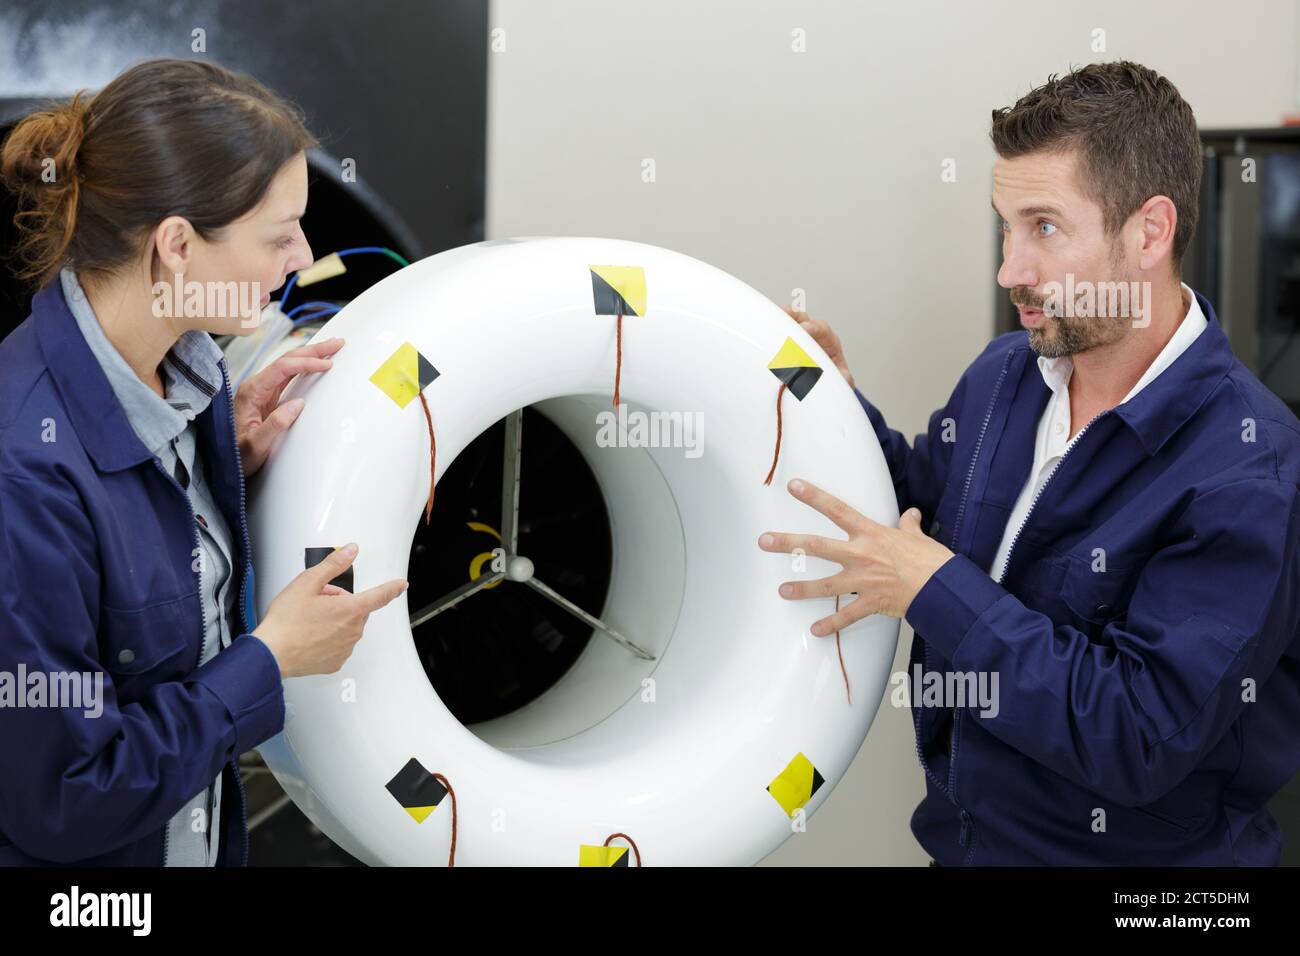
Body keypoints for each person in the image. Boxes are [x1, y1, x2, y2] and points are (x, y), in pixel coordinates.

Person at [759, 60, 1300, 865]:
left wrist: (934, 591)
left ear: (1149, 232)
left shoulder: (1249, 466)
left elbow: (1140, 731)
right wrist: (834, 402)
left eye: (1044, 227)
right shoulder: (1007, 374)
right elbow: (920, 511)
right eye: (1006, 226)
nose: (1011, 268)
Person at [0, 58, 407, 865]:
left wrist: (222, 459)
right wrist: (271, 660)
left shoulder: (184, 386)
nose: (304, 255)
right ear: (178, 244)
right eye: (278, 232)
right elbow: (65, 802)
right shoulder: (25, 474)